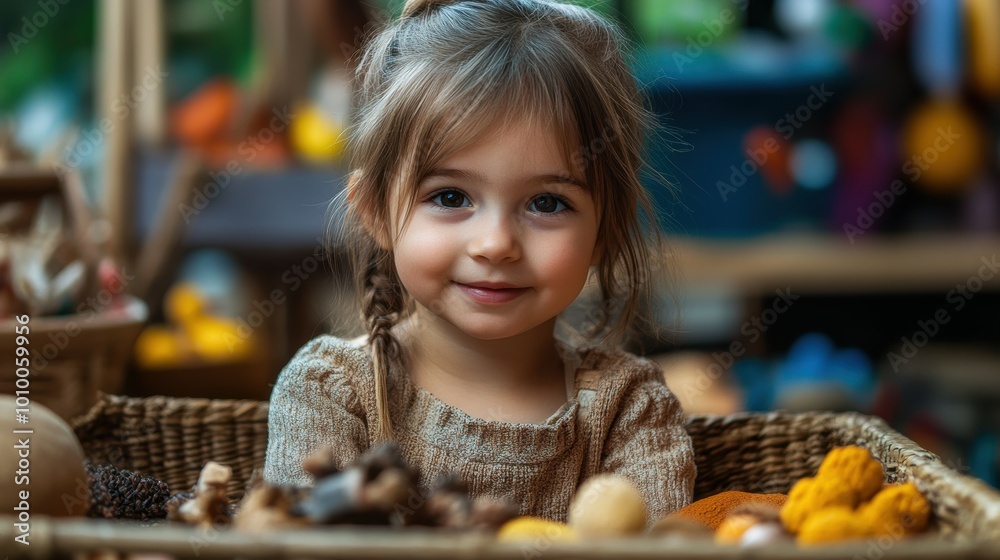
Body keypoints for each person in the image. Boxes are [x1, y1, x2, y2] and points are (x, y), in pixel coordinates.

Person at [264, 0, 696, 525]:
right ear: (375, 211)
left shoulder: (628, 412)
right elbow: (298, 540)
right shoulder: (331, 391)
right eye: (450, 197)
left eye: (547, 203)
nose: (495, 244)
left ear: (606, 230)